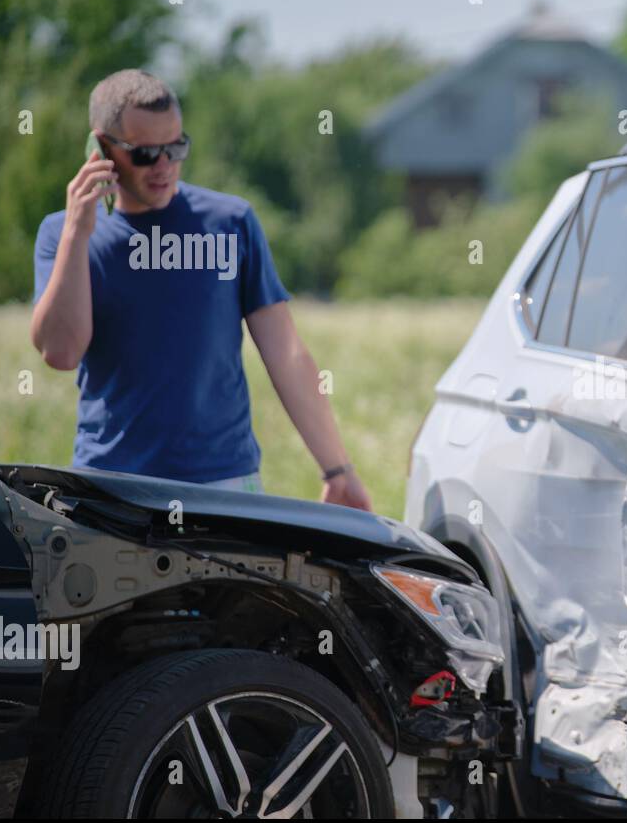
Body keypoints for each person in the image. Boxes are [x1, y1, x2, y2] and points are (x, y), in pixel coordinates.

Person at [30, 68, 372, 510]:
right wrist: (79, 231)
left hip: (226, 484)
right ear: (101, 148)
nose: (164, 166)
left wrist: (338, 470)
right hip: (111, 488)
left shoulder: (231, 223)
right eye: (146, 153)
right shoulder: (62, 235)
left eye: (176, 148)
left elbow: (286, 353)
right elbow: (61, 352)